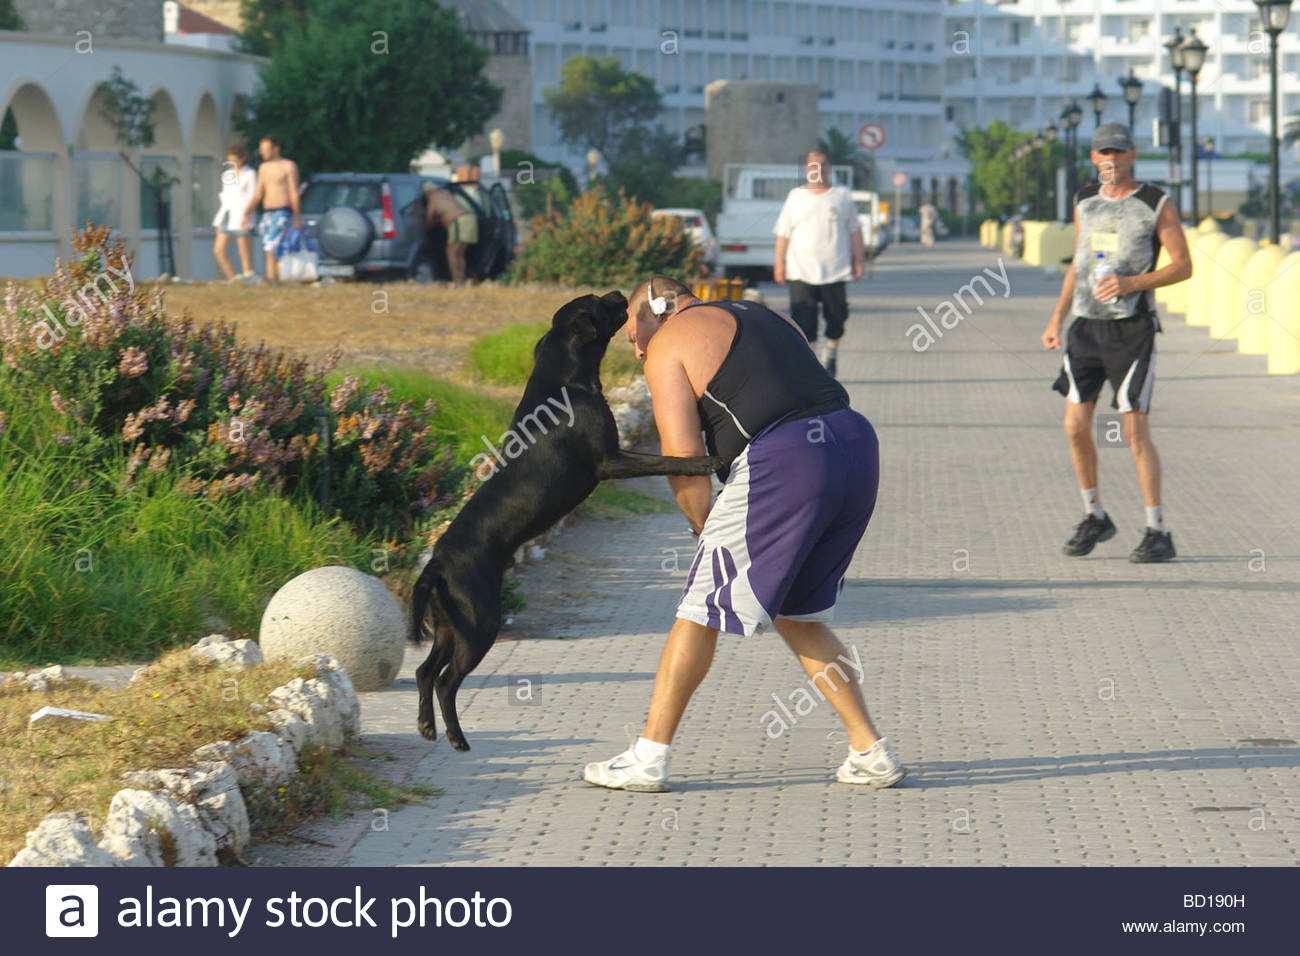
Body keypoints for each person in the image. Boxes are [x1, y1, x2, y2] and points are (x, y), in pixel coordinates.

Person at [582, 275, 905, 793]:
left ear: (656, 310)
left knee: (700, 604)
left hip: (785, 458)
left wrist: (701, 526)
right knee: (796, 613)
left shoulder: (668, 340)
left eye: (632, 336)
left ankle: (648, 756)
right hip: (855, 445)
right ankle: (870, 751)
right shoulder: (770, 316)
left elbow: (684, 460)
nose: (638, 349)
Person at [1040, 123, 1191, 563]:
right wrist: (1056, 318)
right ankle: (1095, 515)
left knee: (1132, 431)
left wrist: (1131, 283)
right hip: (1085, 328)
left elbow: (1182, 265)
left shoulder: (1153, 202)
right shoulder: (1084, 200)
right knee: (1073, 426)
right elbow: (1078, 260)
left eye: (1118, 152)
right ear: (1093, 157)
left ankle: (1157, 529)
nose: (1110, 159)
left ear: (1132, 155)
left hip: (1131, 330)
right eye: (1103, 152)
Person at [772, 148, 865, 378]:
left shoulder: (842, 196)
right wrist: (779, 264)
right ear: (806, 169)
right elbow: (783, 233)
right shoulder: (796, 196)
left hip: (836, 270)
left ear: (829, 167)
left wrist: (859, 260)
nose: (818, 169)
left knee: (837, 317)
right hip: (800, 271)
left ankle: (831, 353)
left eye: (822, 164)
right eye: (813, 165)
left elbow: (854, 231)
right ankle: (812, 365)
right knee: (804, 320)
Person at [241, 135, 300, 284]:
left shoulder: (288, 166)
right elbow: (258, 193)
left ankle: (278, 277)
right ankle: (272, 278)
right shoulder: (263, 168)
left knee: (275, 245)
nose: (263, 152)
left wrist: (297, 216)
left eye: (266, 149)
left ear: (276, 149)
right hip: (268, 212)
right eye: (262, 149)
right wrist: (247, 213)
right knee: (268, 247)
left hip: (283, 211)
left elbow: (293, 192)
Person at [212, 144, 257, 282]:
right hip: (227, 214)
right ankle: (233, 279)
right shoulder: (227, 175)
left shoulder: (250, 174)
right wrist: (219, 220)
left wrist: (247, 214)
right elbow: (225, 197)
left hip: (243, 214)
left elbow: (253, 195)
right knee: (219, 250)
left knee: (243, 251)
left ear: (242, 159)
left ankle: (248, 279)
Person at [422, 182, 477, 284]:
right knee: (459, 253)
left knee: (451, 252)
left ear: (427, 192)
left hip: (458, 222)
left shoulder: (433, 197)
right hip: (469, 219)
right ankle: (461, 279)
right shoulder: (446, 194)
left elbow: (429, 217)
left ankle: (457, 281)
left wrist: (425, 227)